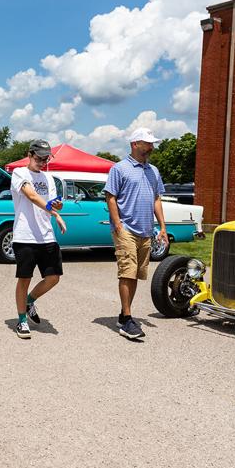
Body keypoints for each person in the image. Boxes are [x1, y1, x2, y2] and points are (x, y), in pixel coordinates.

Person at [103, 127, 167, 340]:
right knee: (127, 272)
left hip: (146, 230)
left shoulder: (153, 171)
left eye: (152, 143)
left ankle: (124, 314)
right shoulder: (119, 169)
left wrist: (163, 227)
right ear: (134, 144)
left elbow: (157, 198)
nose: (151, 147)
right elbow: (110, 197)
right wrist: (118, 225)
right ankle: (127, 319)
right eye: (147, 143)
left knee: (137, 274)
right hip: (126, 230)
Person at [10, 140, 66, 339]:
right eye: (39, 157)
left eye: (46, 158)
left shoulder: (49, 178)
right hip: (25, 235)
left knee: (53, 277)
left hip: (46, 235)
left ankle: (29, 300)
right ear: (30, 154)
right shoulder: (19, 173)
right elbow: (32, 196)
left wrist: (57, 211)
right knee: (24, 278)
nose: (42, 161)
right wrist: (51, 207)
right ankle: (22, 320)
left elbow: (50, 203)